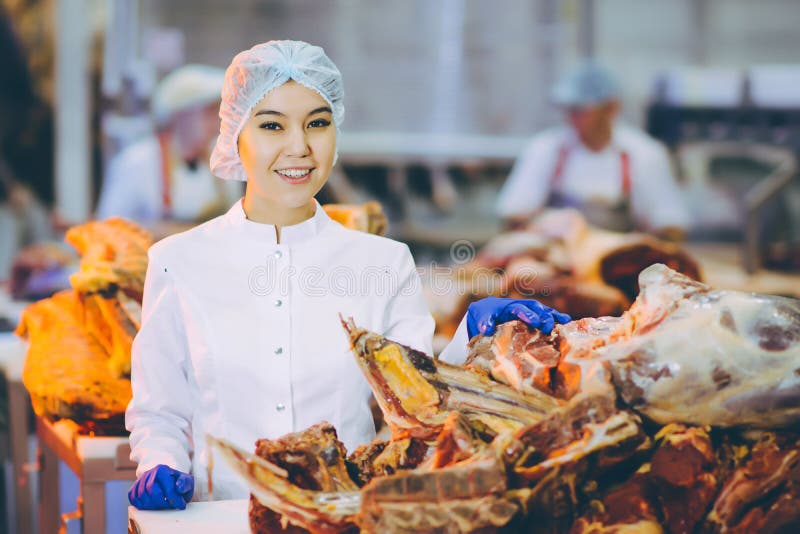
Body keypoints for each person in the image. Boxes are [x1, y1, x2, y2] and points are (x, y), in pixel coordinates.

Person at [125, 40, 569, 510]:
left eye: (317, 123)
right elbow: (160, 408)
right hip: (219, 517)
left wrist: (472, 338)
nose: (299, 147)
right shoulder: (179, 261)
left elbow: (419, 403)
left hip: (345, 515)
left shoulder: (382, 263)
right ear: (236, 135)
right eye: (272, 125)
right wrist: (160, 460)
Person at [496, 62, 689, 241]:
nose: (572, 118)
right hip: (557, 259)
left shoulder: (644, 153)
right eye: (568, 110)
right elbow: (514, 213)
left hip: (619, 263)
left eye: (581, 111)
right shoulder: (546, 148)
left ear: (611, 108)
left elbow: (670, 225)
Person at [96, 64, 242, 228]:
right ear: (181, 115)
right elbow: (108, 230)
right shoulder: (137, 162)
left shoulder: (225, 163)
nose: (219, 122)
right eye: (209, 112)